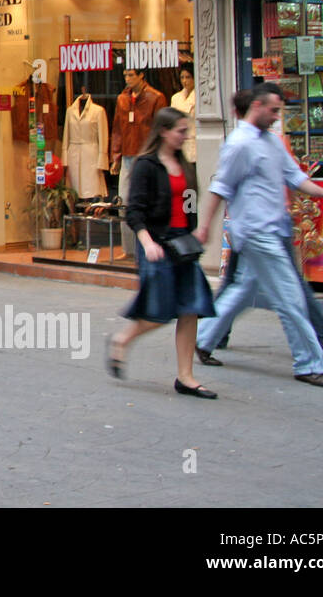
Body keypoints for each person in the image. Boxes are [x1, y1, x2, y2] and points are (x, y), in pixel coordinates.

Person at [192, 82, 323, 388]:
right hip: (256, 232)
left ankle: (204, 339)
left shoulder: (272, 142)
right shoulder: (239, 144)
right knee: (289, 297)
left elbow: (295, 176)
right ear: (257, 106)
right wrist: (205, 226)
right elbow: (220, 188)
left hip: (272, 230)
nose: (277, 116)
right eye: (274, 110)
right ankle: (309, 364)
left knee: (242, 289)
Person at [105, 108, 218, 398]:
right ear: (164, 131)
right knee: (159, 312)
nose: (185, 136)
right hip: (157, 244)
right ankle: (121, 340)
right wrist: (147, 242)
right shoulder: (146, 166)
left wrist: (197, 230)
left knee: (190, 308)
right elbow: (134, 212)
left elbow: (190, 201)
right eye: (181, 131)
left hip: (182, 245)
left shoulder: (185, 164)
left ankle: (186, 377)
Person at [111, 67, 167, 257]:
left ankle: (147, 246)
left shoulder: (156, 98)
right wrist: (115, 156)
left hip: (148, 156)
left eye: (131, 75)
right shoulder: (122, 99)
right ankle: (128, 250)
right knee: (124, 202)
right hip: (127, 155)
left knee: (146, 202)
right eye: (125, 75)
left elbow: (160, 130)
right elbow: (117, 129)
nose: (127, 78)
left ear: (141, 75)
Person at [170, 63, 198, 184]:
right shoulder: (176, 98)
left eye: (188, 77)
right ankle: (187, 203)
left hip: (195, 142)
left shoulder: (199, 97)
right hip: (180, 144)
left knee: (194, 179)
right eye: (182, 77)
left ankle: (193, 203)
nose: (185, 81)